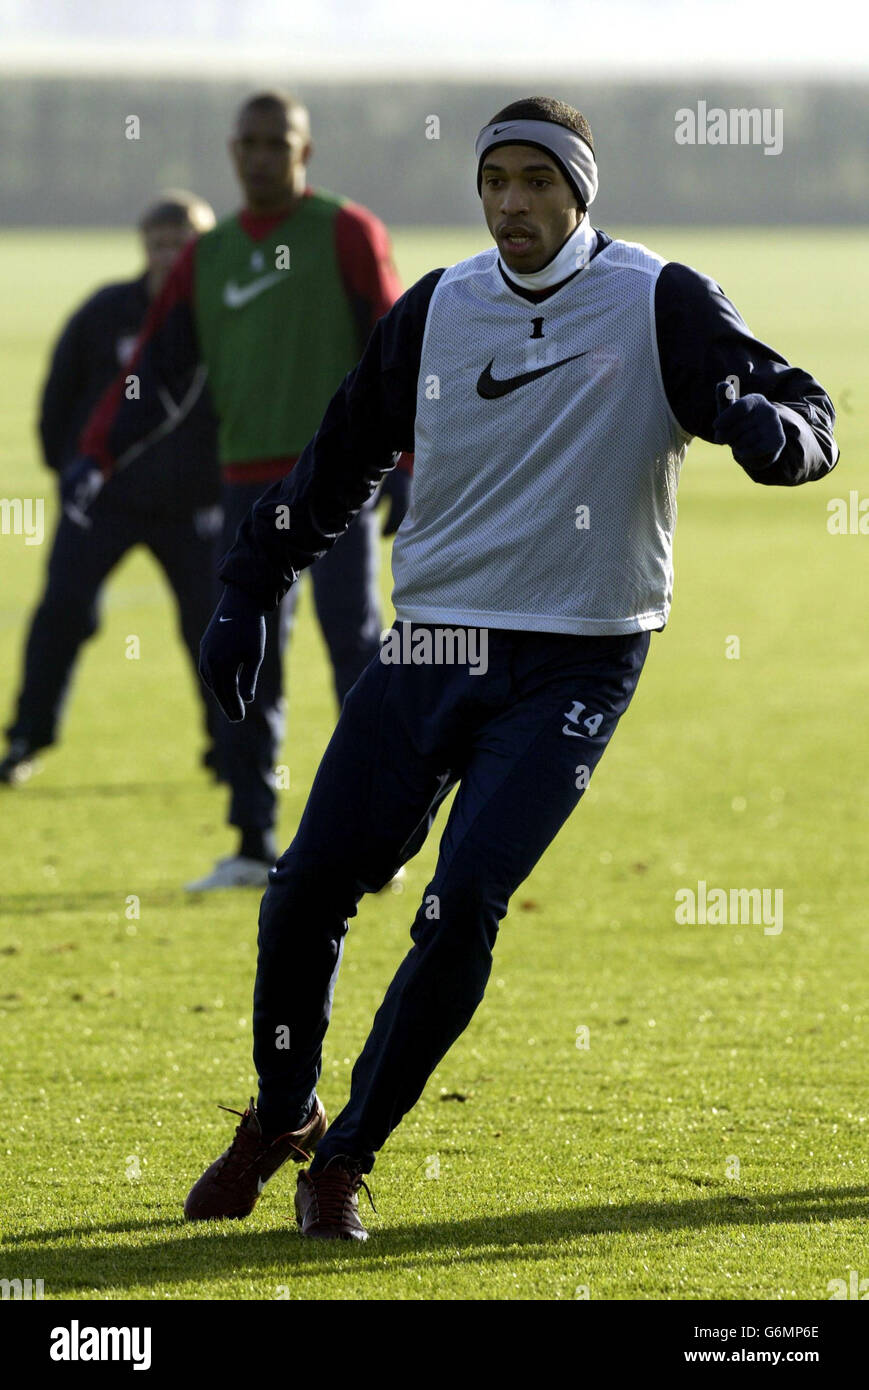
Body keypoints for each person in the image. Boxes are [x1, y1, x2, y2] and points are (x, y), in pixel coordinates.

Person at [184, 96, 839, 1240]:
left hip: (575, 662)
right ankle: (283, 1111)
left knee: (461, 901)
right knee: (301, 893)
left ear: (578, 193)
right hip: (433, 640)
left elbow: (804, 411)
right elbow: (339, 456)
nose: (511, 203)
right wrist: (248, 589)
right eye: (496, 182)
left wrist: (772, 437)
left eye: (537, 182)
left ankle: (341, 1162)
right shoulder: (439, 305)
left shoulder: (656, 297)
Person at [68, 90, 409, 890]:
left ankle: (379, 836)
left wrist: (407, 460)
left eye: (276, 143)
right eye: (248, 144)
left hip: (339, 479)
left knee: (355, 650)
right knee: (245, 659)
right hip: (246, 488)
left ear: (304, 152)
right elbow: (156, 370)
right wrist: (97, 452)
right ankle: (255, 842)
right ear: (232, 153)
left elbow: (397, 349)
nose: (261, 156)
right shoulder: (208, 255)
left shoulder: (346, 232)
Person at [0, 192, 222, 787]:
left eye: (183, 243)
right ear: (142, 246)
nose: (169, 254)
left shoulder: (223, 316)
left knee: (214, 627)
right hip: (103, 500)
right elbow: (59, 395)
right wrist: (67, 465)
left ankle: (230, 748)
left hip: (194, 507)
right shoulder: (105, 312)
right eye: (158, 242)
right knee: (62, 614)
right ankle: (27, 737)